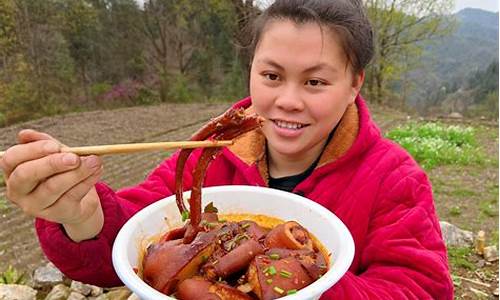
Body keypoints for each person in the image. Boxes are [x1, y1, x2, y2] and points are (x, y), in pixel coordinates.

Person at [0, 0, 453, 298]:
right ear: (252, 69)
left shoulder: (395, 179)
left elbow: (421, 287)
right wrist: (78, 214)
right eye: (272, 76)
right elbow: (132, 243)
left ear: (354, 84)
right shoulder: (208, 155)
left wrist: (299, 281)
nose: (287, 100)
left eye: (315, 81)